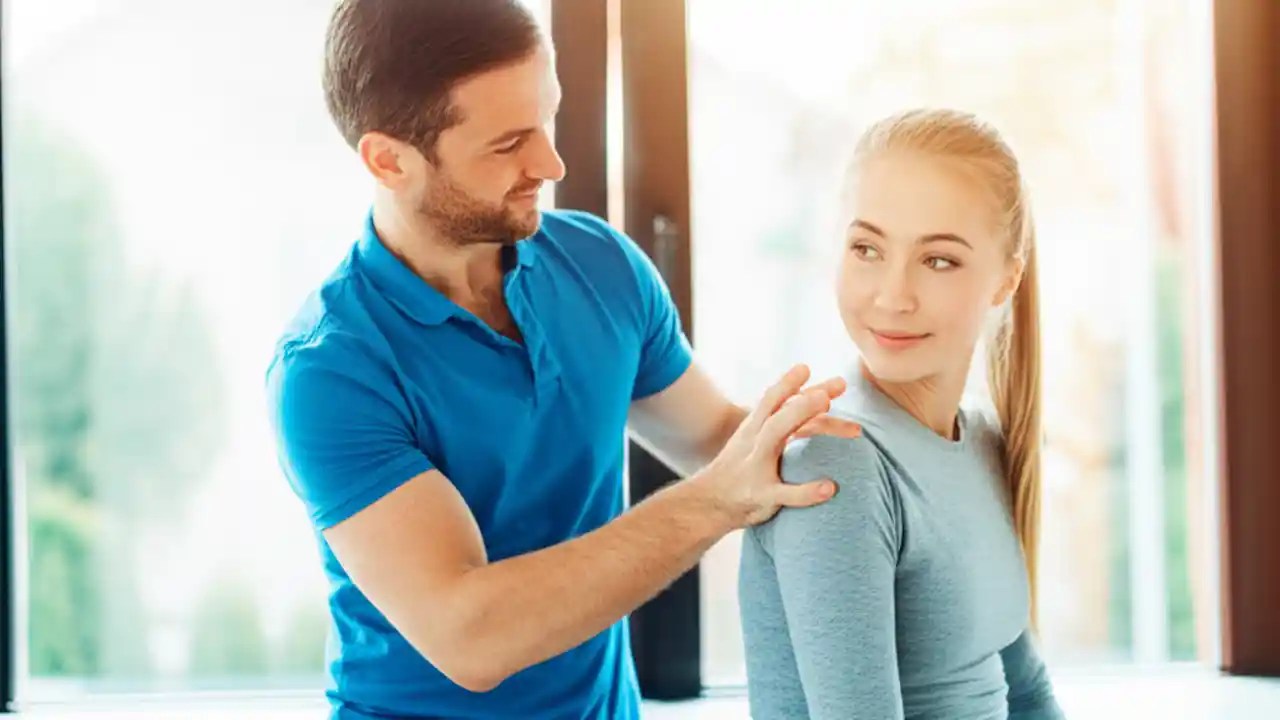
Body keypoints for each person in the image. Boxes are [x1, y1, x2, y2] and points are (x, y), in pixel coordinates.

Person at [266, 1, 858, 718]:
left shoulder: (601, 265)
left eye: (547, 118)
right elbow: (472, 635)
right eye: (508, 142)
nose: (550, 163)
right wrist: (715, 502)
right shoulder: (330, 370)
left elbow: (720, 443)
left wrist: (872, 446)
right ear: (389, 160)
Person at [739, 108, 1066, 719]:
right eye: (867, 249)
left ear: (1005, 280)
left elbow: (1028, 694)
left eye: (938, 259)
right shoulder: (836, 464)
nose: (892, 296)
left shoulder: (984, 445)